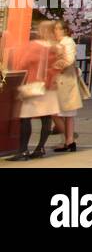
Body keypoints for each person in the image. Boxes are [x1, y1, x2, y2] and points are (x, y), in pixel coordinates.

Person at [6, 21, 60, 161]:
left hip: (33, 86)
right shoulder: (56, 47)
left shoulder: (34, 46)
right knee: (46, 118)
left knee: (25, 118)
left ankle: (23, 150)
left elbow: (22, 63)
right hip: (49, 88)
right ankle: (40, 148)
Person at [51, 20, 85, 152]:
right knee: (66, 112)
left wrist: (54, 66)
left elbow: (69, 60)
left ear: (64, 30)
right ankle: (69, 140)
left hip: (64, 79)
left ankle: (69, 138)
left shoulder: (67, 42)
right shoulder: (62, 42)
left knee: (58, 111)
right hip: (64, 79)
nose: (55, 31)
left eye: (58, 29)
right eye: (55, 29)